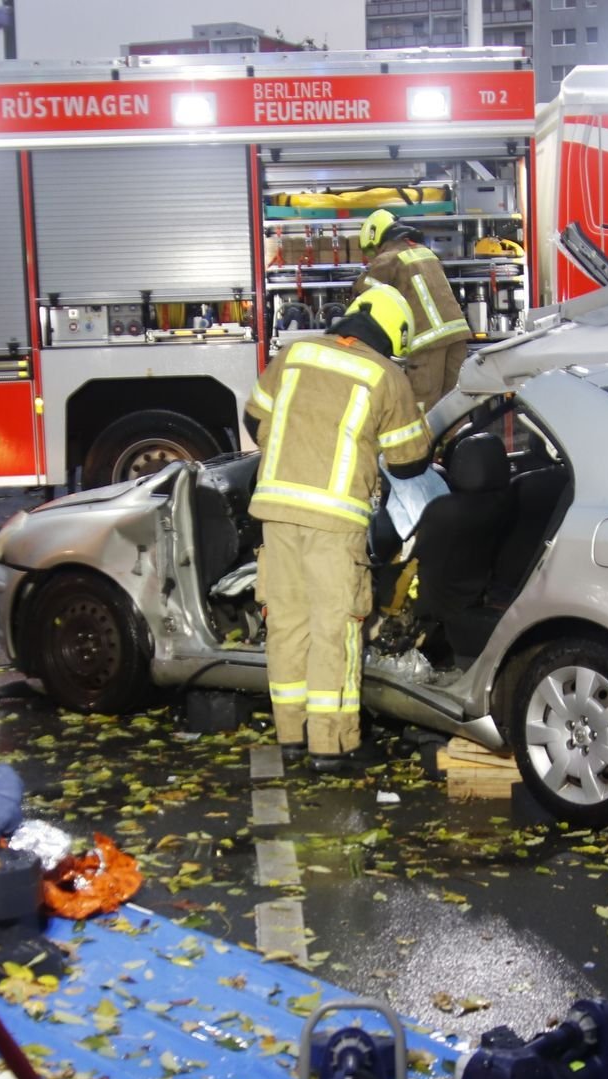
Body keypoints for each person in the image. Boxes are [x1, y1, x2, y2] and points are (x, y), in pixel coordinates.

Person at [244, 282, 431, 775]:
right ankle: (333, 746)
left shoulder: (295, 354)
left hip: (276, 513)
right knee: (336, 629)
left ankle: (291, 738)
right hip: (334, 523)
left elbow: (252, 416)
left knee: (287, 624)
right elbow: (410, 461)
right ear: (394, 334)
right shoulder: (385, 375)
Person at [353, 208, 471, 414]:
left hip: (427, 342)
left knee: (423, 407)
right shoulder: (425, 253)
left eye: (372, 251)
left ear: (376, 236)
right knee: (455, 406)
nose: (373, 257)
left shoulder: (389, 258)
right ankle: (456, 445)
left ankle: (424, 447)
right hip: (456, 335)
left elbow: (364, 296)